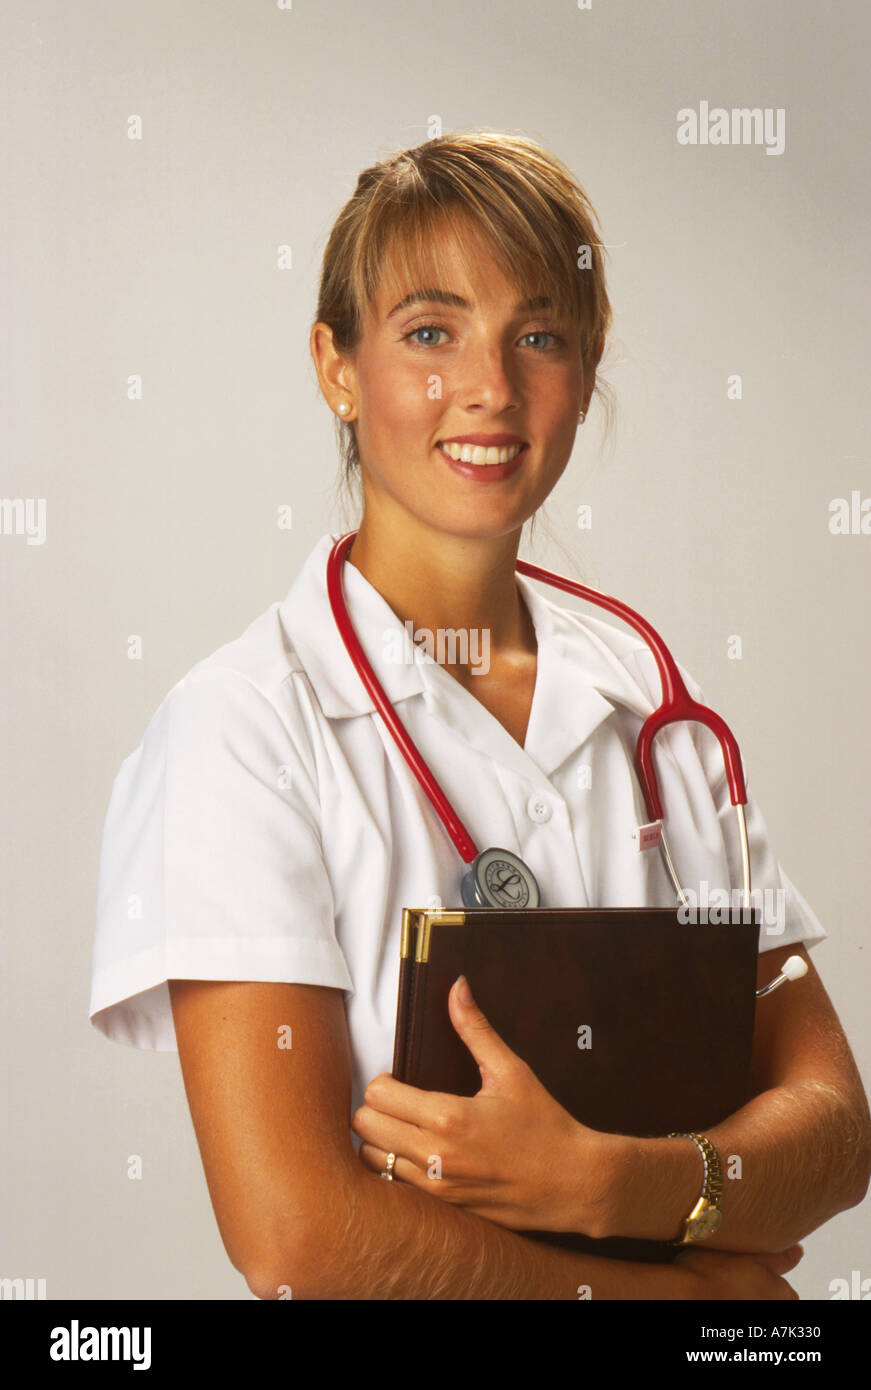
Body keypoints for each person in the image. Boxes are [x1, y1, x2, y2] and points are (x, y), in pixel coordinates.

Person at [89, 131, 871, 1300]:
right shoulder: (243, 728)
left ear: (588, 363)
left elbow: (832, 1124)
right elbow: (296, 1236)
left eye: (538, 335)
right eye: (428, 332)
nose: (490, 387)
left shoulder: (653, 706)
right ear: (336, 366)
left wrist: (609, 1184)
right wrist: (697, 1294)